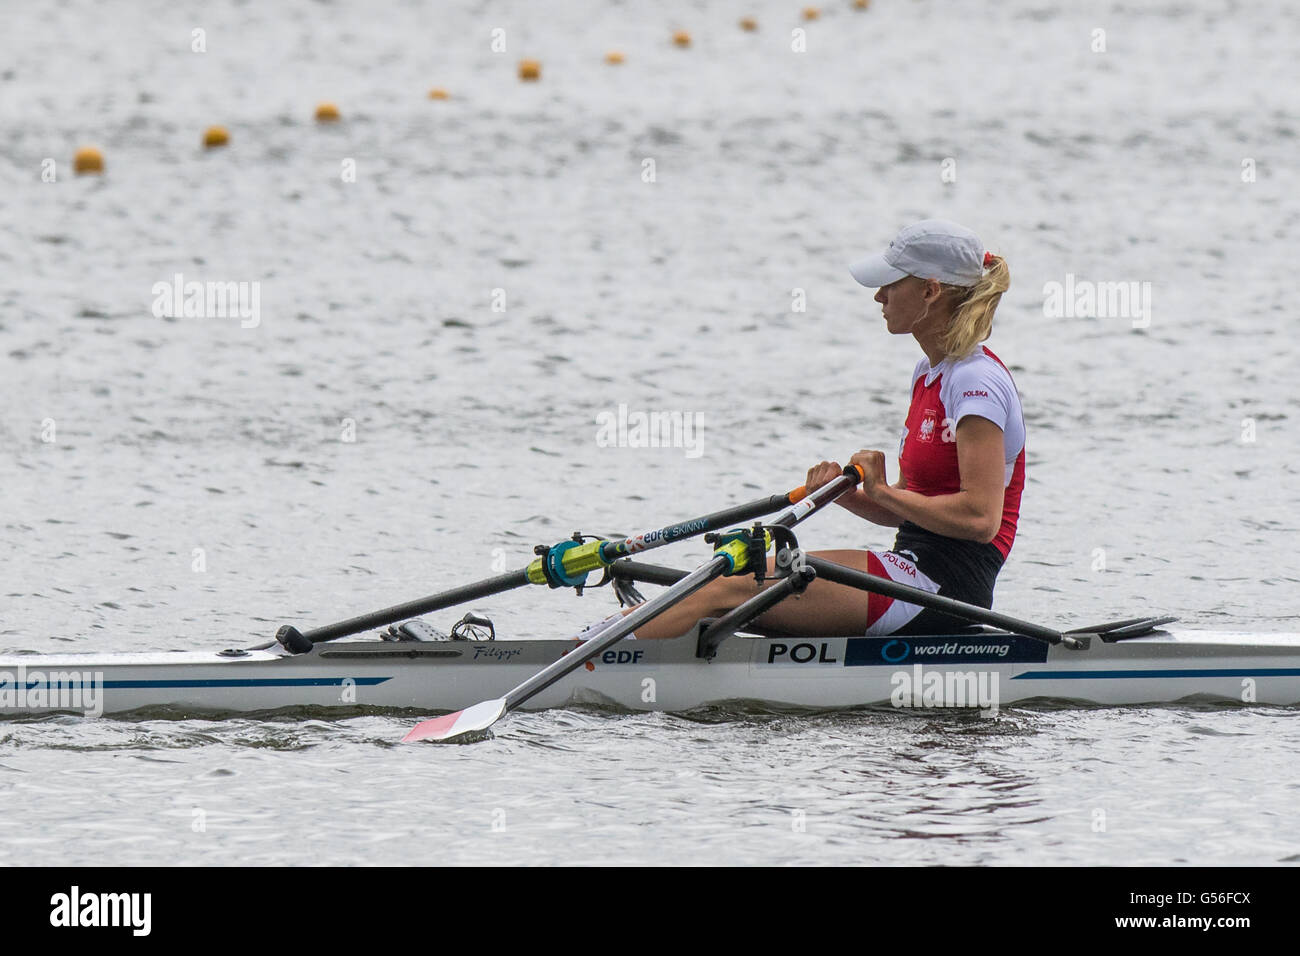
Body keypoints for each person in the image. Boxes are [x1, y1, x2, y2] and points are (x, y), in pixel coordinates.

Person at [584, 219, 1024, 641]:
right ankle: (595, 645)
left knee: (721, 588)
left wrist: (884, 490)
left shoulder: (975, 381)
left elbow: (980, 520)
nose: (879, 297)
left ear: (930, 290)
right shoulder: (930, 373)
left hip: (945, 589)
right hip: (910, 569)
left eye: (891, 283)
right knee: (726, 588)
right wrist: (847, 493)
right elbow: (913, 508)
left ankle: (580, 660)